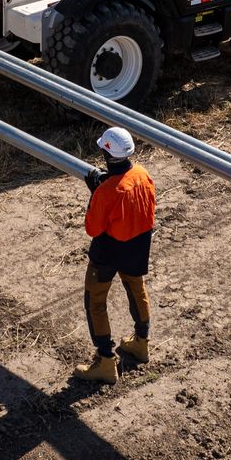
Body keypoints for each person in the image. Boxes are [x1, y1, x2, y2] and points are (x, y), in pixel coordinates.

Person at [75, 127, 157, 384]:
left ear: (106, 155)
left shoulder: (107, 191)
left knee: (96, 301)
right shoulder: (143, 174)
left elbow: (92, 228)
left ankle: (105, 361)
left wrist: (95, 193)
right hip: (137, 246)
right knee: (136, 289)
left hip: (108, 251)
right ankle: (141, 343)